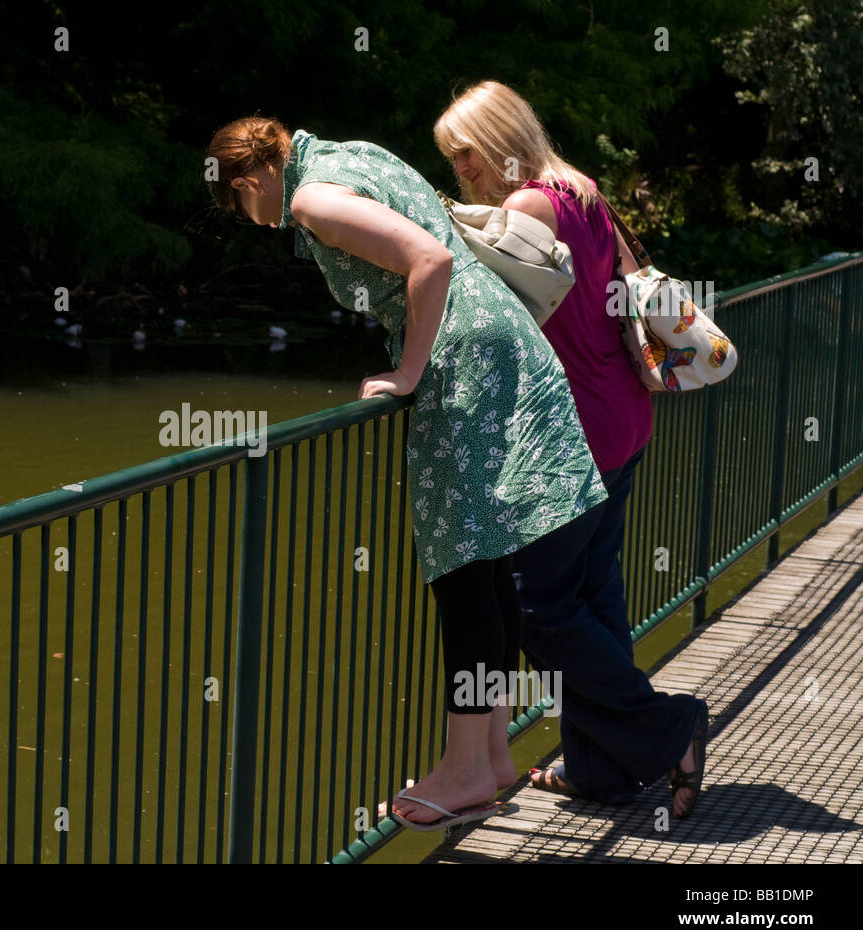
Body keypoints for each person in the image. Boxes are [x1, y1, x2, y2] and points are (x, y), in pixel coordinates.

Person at [205, 116, 609, 831]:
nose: (257, 221)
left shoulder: (309, 197)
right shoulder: (347, 149)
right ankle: (489, 755)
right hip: (496, 336)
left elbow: (431, 260)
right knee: (484, 562)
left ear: (247, 181)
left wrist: (408, 370)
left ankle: (463, 769)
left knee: (460, 571)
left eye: (244, 206)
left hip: (462, 359)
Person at [433, 81, 708, 819]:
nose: (460, 169)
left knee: (538, 607)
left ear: (496, 142)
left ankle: (668, 730)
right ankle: (603, 770)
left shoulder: (526, 208)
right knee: (593, 596)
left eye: (463, 154)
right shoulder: (583, 189)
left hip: (572, 435)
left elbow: (487, 319)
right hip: (624, 416)